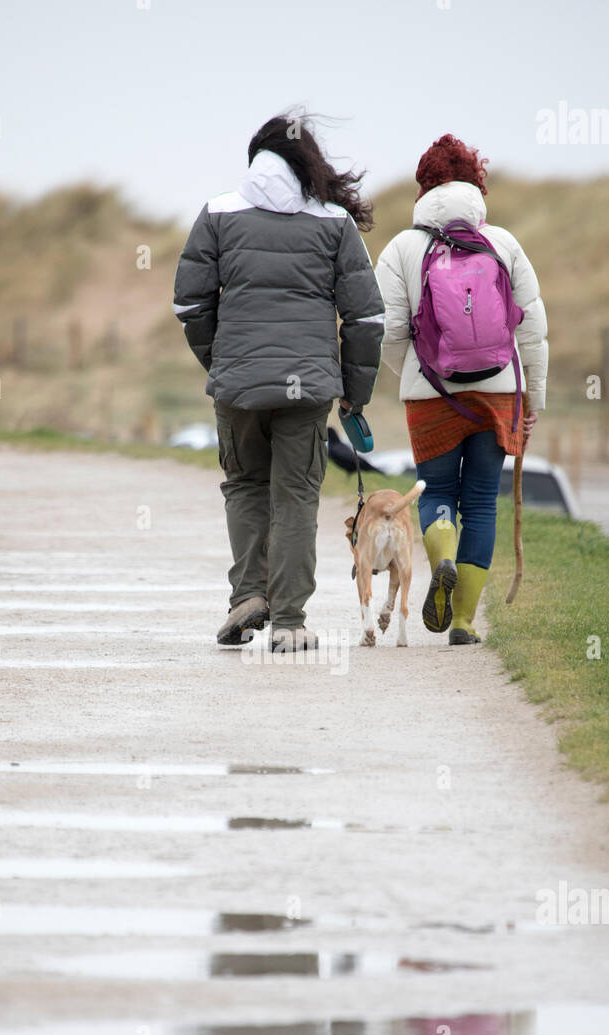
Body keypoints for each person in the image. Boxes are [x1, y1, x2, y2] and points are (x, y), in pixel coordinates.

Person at [173, 114, 385, 651]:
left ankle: (247, 593)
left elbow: (190, 304)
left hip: (238, 385)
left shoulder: (218, 212)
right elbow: (365, 319)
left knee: (244, 485)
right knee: (295, 497)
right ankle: (289, 622)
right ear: (305, 163)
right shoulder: (333, 221)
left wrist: (221, 361)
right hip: (307, 387)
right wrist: (354, 392)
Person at [376, 134, 548, 644]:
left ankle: (442, 556)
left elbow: (386, 331)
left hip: (432, 394)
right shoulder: (503, 243)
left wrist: (410, 376)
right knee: (480, 502)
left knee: (436, 492)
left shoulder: (402, 248)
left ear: (424, 186)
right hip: (499, 393)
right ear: (478, 185)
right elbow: (533, 328)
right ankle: (465, 623)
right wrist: (533, 399)